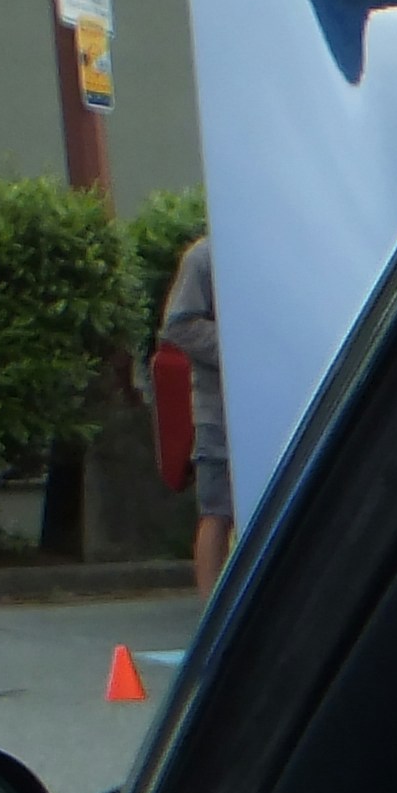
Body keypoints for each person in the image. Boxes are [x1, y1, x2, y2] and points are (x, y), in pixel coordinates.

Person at [158, 233, 230, 589]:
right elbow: (179, 324)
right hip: (218, 412)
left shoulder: (277, 249)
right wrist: (237, 346)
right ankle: (211, 607)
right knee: (218, 510)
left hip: (274, 407)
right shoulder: (204, 256)